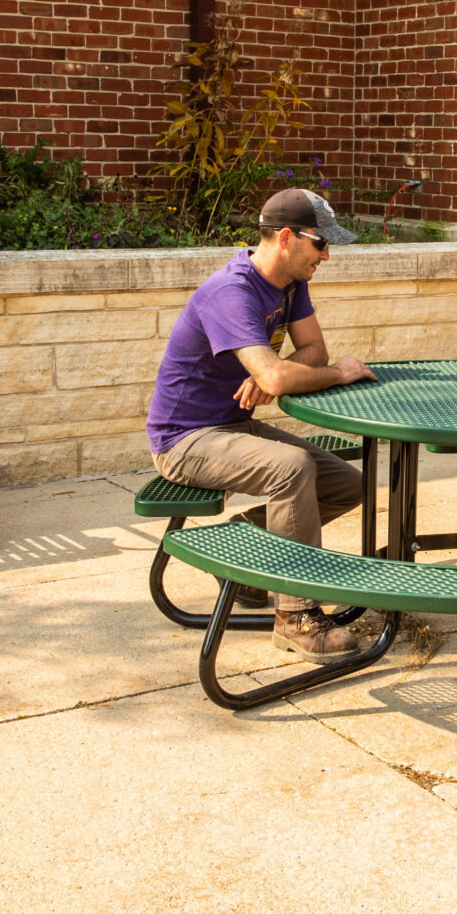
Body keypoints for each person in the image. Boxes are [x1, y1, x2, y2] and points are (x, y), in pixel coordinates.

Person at [146, 188, 376, 663]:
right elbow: (284, 372)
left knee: (348, 484)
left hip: (231, 426)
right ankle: (295, 616)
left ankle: (248, 560)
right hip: (185, 439)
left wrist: (278, 373)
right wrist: (309, 374)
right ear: (287, 238)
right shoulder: (231, 292)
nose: (327, 255)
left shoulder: (291, 282)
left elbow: (313, 353)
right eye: (321, 243)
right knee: (291, 468)